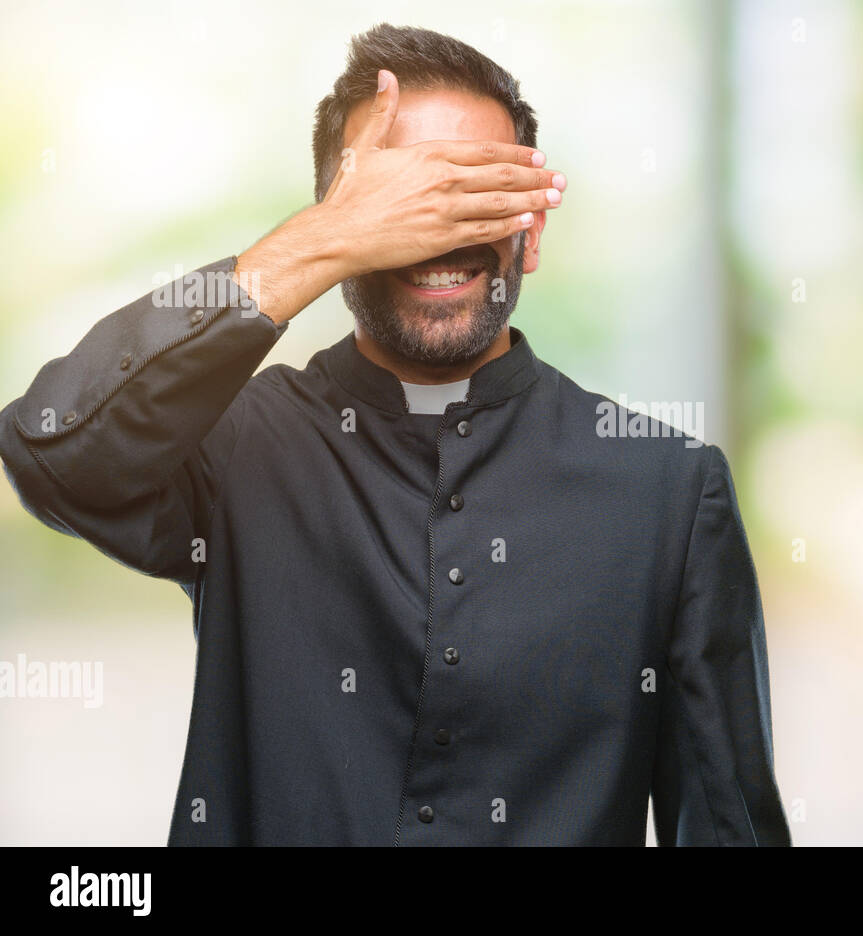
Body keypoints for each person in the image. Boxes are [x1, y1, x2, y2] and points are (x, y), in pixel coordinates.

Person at [0, 23, 790, 846]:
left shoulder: (664, 489)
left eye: (473, 193)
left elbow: (730, 826)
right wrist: (322, 241)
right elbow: (52, 451)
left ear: (532, 229)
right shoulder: (235, 448)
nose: (437, 230)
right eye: (402, 197)